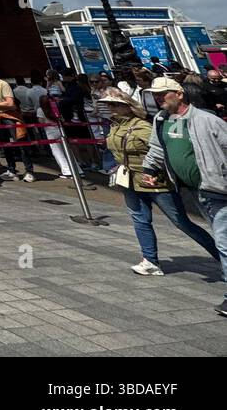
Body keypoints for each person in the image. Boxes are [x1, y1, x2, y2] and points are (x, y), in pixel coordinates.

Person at [96, 86, 217, 277]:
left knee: (181, 222)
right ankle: (150, 260)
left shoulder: (143, 126)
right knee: (140, 220)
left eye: (114, 104)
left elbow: (161, 150)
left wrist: (155, 170)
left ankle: (220, 256)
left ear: (127, 106)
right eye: (108, 105)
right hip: (130, 180)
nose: (111, 108)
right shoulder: (114, 126)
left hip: (156, 182)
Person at [141, 77, 227, 316]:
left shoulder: (207, 120)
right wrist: (150, 169)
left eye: (163, 93)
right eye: (155, 95)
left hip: (217, 188)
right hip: (195, 190)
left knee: (223, 240)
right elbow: (158, 148)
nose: (158, 98)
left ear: (179, 94)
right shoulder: (161, 120)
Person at [0, 65, 32, 182]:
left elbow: (11, 103)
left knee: (20, 143)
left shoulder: (3, 85)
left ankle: (29, 171)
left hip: (9, 116)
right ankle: (11, 169)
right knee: (5, 144)